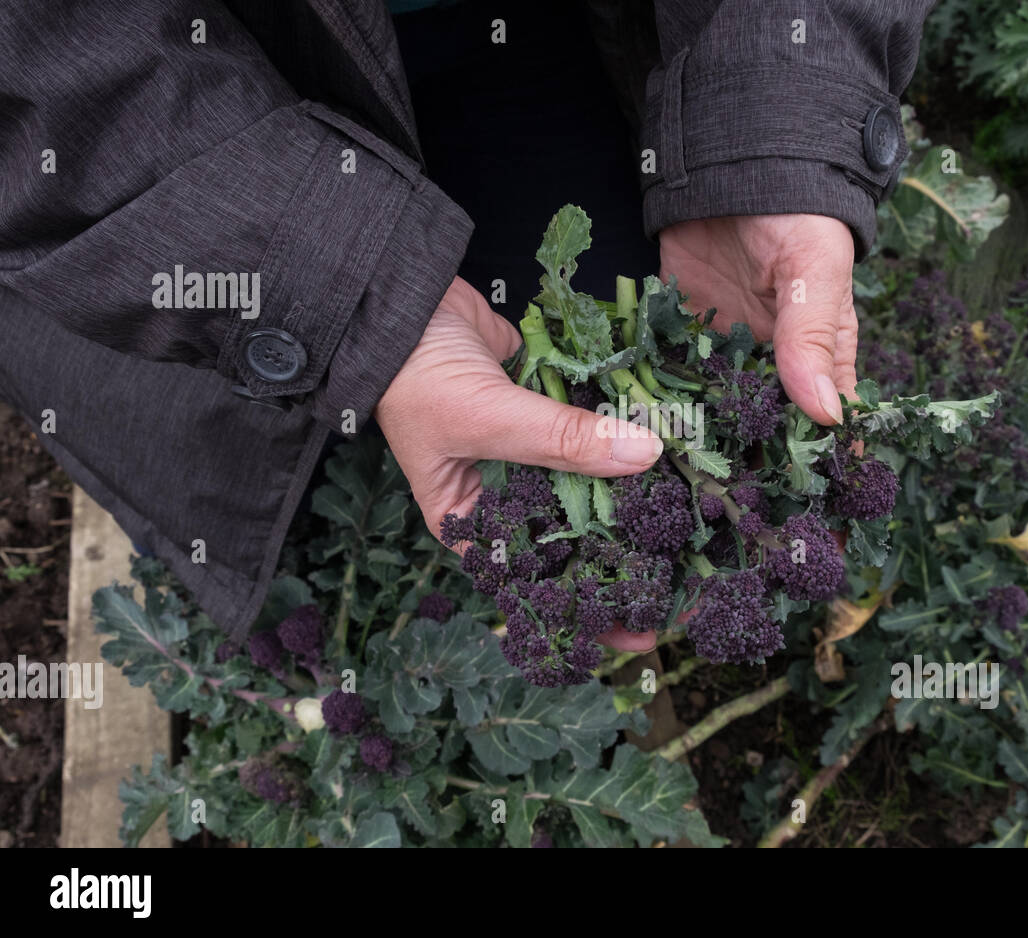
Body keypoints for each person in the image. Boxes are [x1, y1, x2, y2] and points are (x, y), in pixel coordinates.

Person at [0, 0, 930, 649]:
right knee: (297, 454)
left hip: (559, 38)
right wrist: (356, 308)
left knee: (535, 439)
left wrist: (772, 137)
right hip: (200, 108)